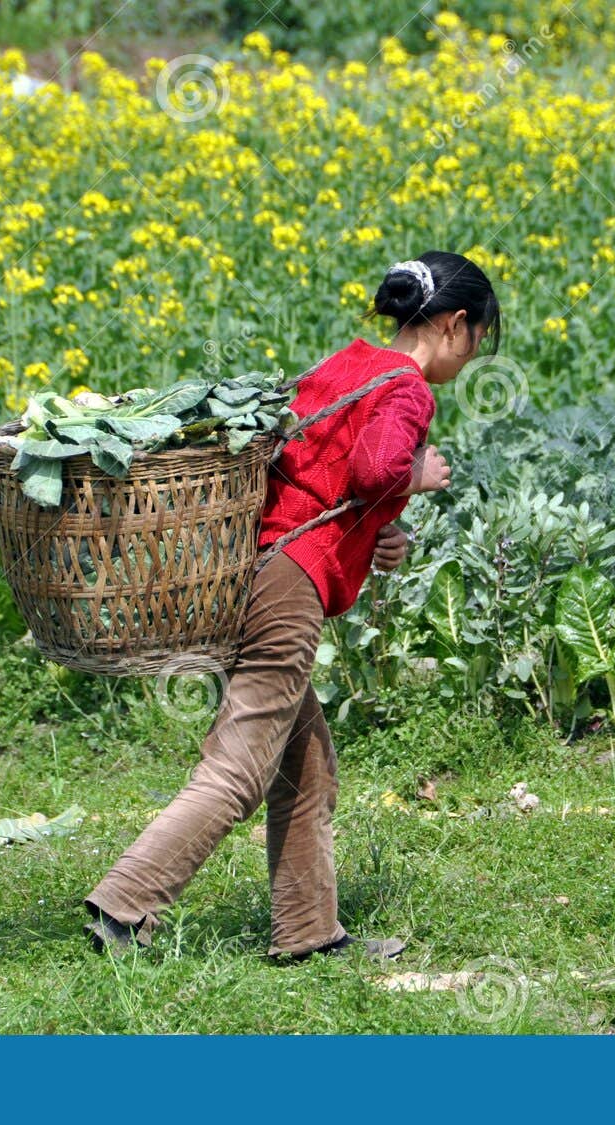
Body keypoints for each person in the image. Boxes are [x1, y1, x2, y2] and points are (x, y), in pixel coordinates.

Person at [83, 250, 502, 960]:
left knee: (306, 761)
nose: (471, 359)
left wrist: (377, 533)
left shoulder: (345, 362)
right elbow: (374, 467)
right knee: (240, 765)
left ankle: (308, 934)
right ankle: (123, 904)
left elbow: (315, 471)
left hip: (259, 564)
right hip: (291, 586)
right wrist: (415, 478)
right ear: (455, 325)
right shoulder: (408, 387)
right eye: (478, 342)